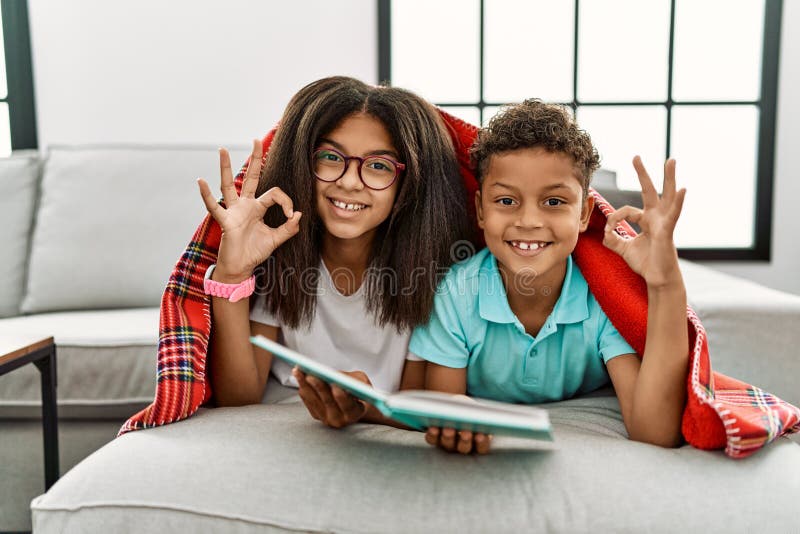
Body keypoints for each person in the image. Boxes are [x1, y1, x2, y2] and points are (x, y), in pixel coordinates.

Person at [409, 99, 689, 454]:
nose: (528, 221)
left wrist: (666, 283)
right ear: (480, 209)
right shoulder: (456, 294)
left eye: (554, 202)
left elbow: (655, 432)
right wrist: (454, 418)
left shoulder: (602, 296)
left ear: (585, 213)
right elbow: (444, 413)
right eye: (507, 201)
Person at [196, 76, 472, 428]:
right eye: (330, 157)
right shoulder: (282, 253)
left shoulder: (433, 275)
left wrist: (365, 407)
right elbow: (239, 397)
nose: (349, 181)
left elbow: (420, 406)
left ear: (410, 184)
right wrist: (232, 275)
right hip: (288, 425)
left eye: (378, 166)